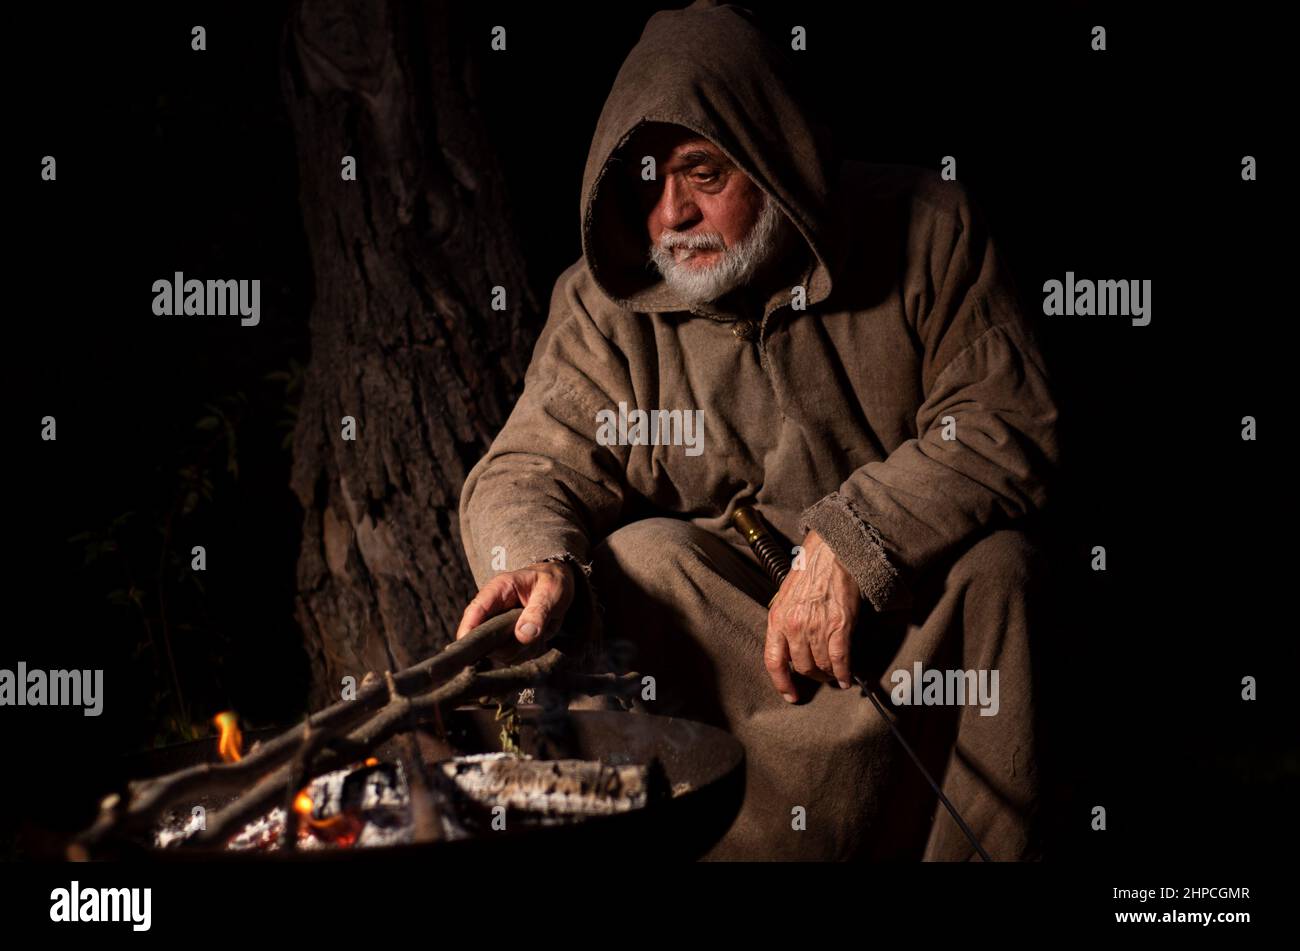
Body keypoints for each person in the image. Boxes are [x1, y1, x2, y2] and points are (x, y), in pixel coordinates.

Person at [456, 0, 1060, 860]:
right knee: (645, 559)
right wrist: (537, 559)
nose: (672, 215)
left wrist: (855, 540)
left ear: (775, 157)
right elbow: (524, 467)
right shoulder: (602, 308)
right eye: (649, 182)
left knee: (1004, 569)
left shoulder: (929, 230)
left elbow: (1007, 417)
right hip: (745, 646)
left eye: (703, 174)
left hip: (914, 612)